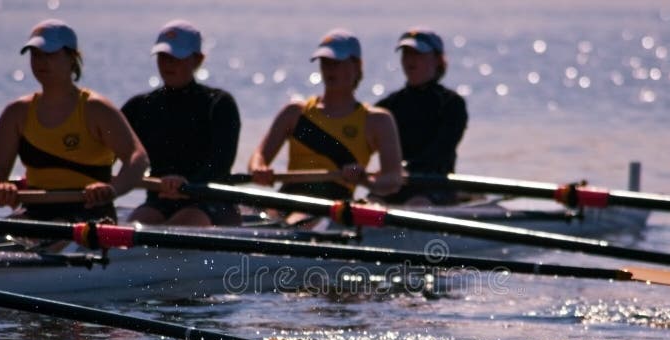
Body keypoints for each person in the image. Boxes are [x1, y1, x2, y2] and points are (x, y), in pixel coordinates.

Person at [0, 19, 148, 223]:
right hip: (35, 213)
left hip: (90, 213)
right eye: (35, 55)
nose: (41, 62)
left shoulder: (95, 109)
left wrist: (113, 189)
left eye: (49, 54)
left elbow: (138, 158)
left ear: (72, 58)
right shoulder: (16, 113)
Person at [248, 28, 403, 202]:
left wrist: (365, 180)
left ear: (356, 65)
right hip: (289, 198)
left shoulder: (377, 121)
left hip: (335, 204)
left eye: (336, 62)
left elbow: (393, 180)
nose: (329, 69)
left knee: (298, 219)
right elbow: (258, 157)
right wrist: (259, 169)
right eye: (325, 62)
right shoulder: (294, 112)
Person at [123, 20, 242, 226]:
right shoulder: (140, 107)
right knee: (137, 223)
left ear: (198, 60)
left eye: (176, 57)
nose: (168, 63)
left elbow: (221, 163)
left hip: (210, 200)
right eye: (163, 56)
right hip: (160, 200)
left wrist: (188, 185)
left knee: (182, 224)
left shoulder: (219, 104)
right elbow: (104, 153)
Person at [376, 27, 468, 206]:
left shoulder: (452, 104)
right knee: (369, 203)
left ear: (437, 59)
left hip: (436, 184)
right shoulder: (388, 106)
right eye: (406, 53)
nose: (410, 59)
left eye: (417, 53)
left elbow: (441, 151)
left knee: (417, 203)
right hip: (396, 184)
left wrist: (403, 167)